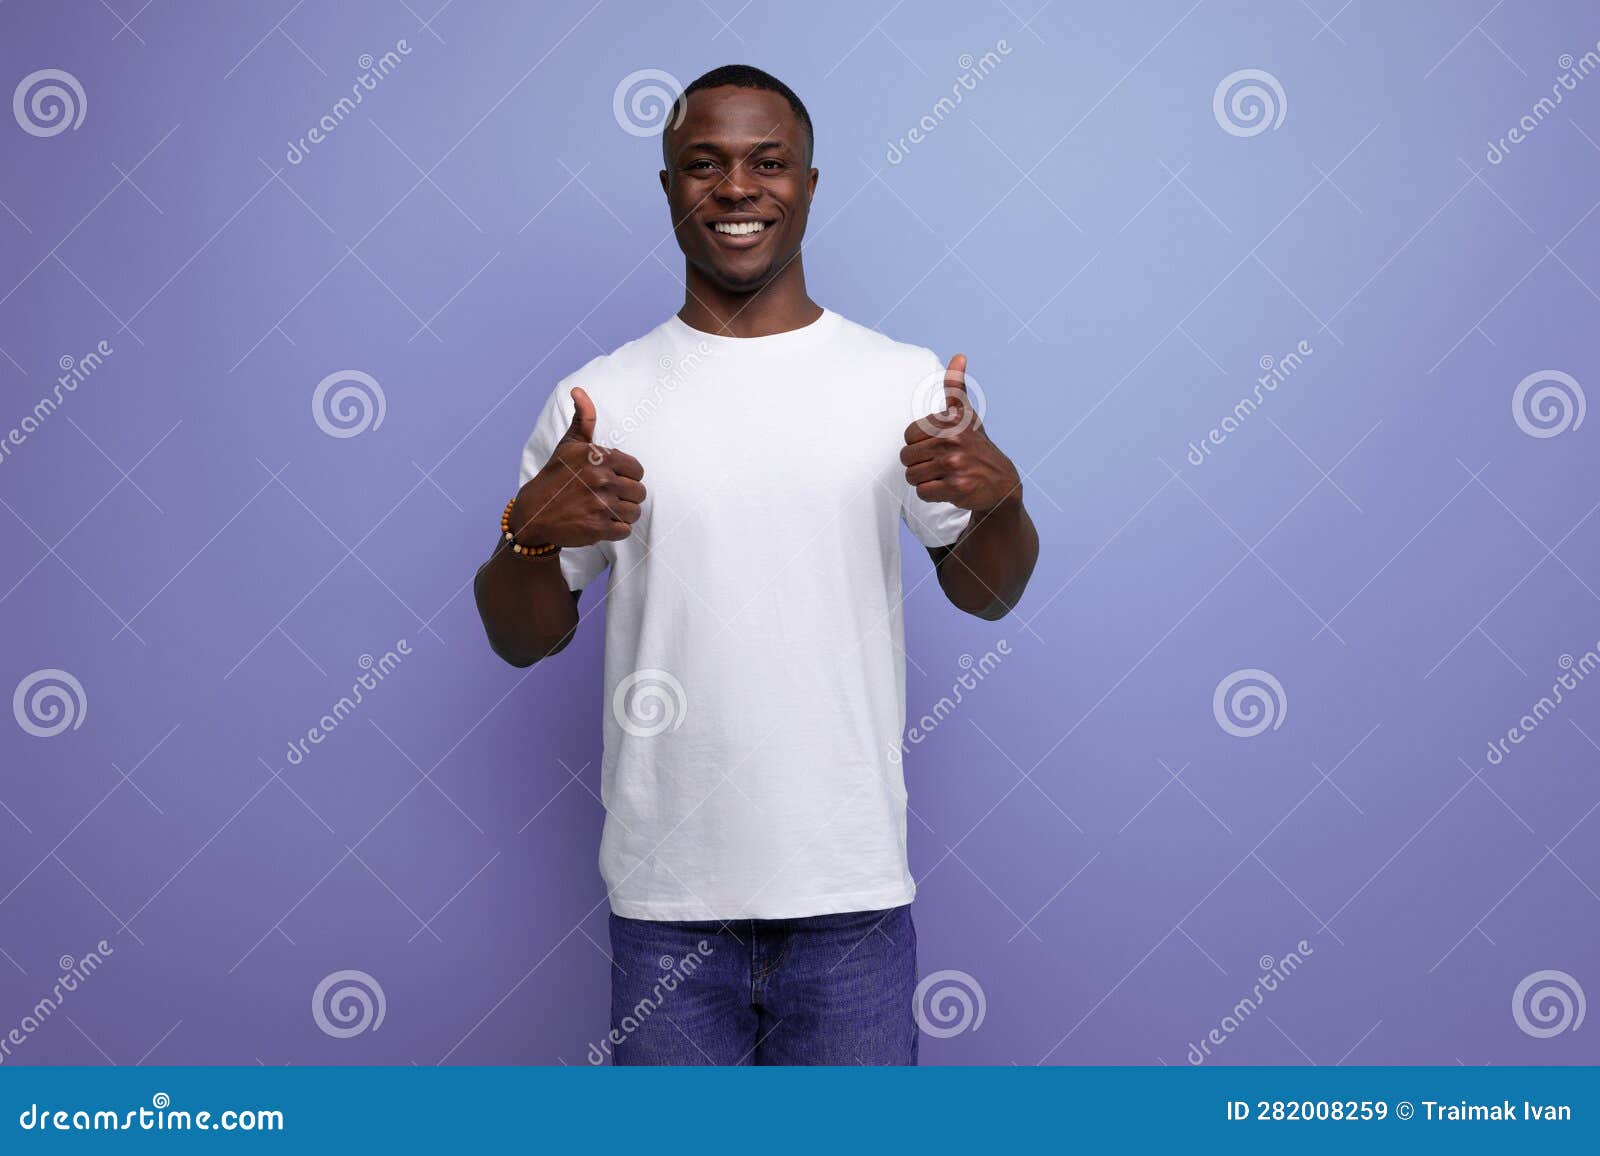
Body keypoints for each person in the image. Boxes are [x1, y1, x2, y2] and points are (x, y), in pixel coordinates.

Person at [474, 64, 1038, 1065]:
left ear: (809, 185)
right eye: (706, 163)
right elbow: (520, 638)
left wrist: (1003, 500)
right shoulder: (597, 399)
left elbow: (987, 593)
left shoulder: (897, 382)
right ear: (668, 188)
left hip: (848, 897)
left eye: (767, 162)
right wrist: (530, 531)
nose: (738, 187)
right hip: (666, 905)